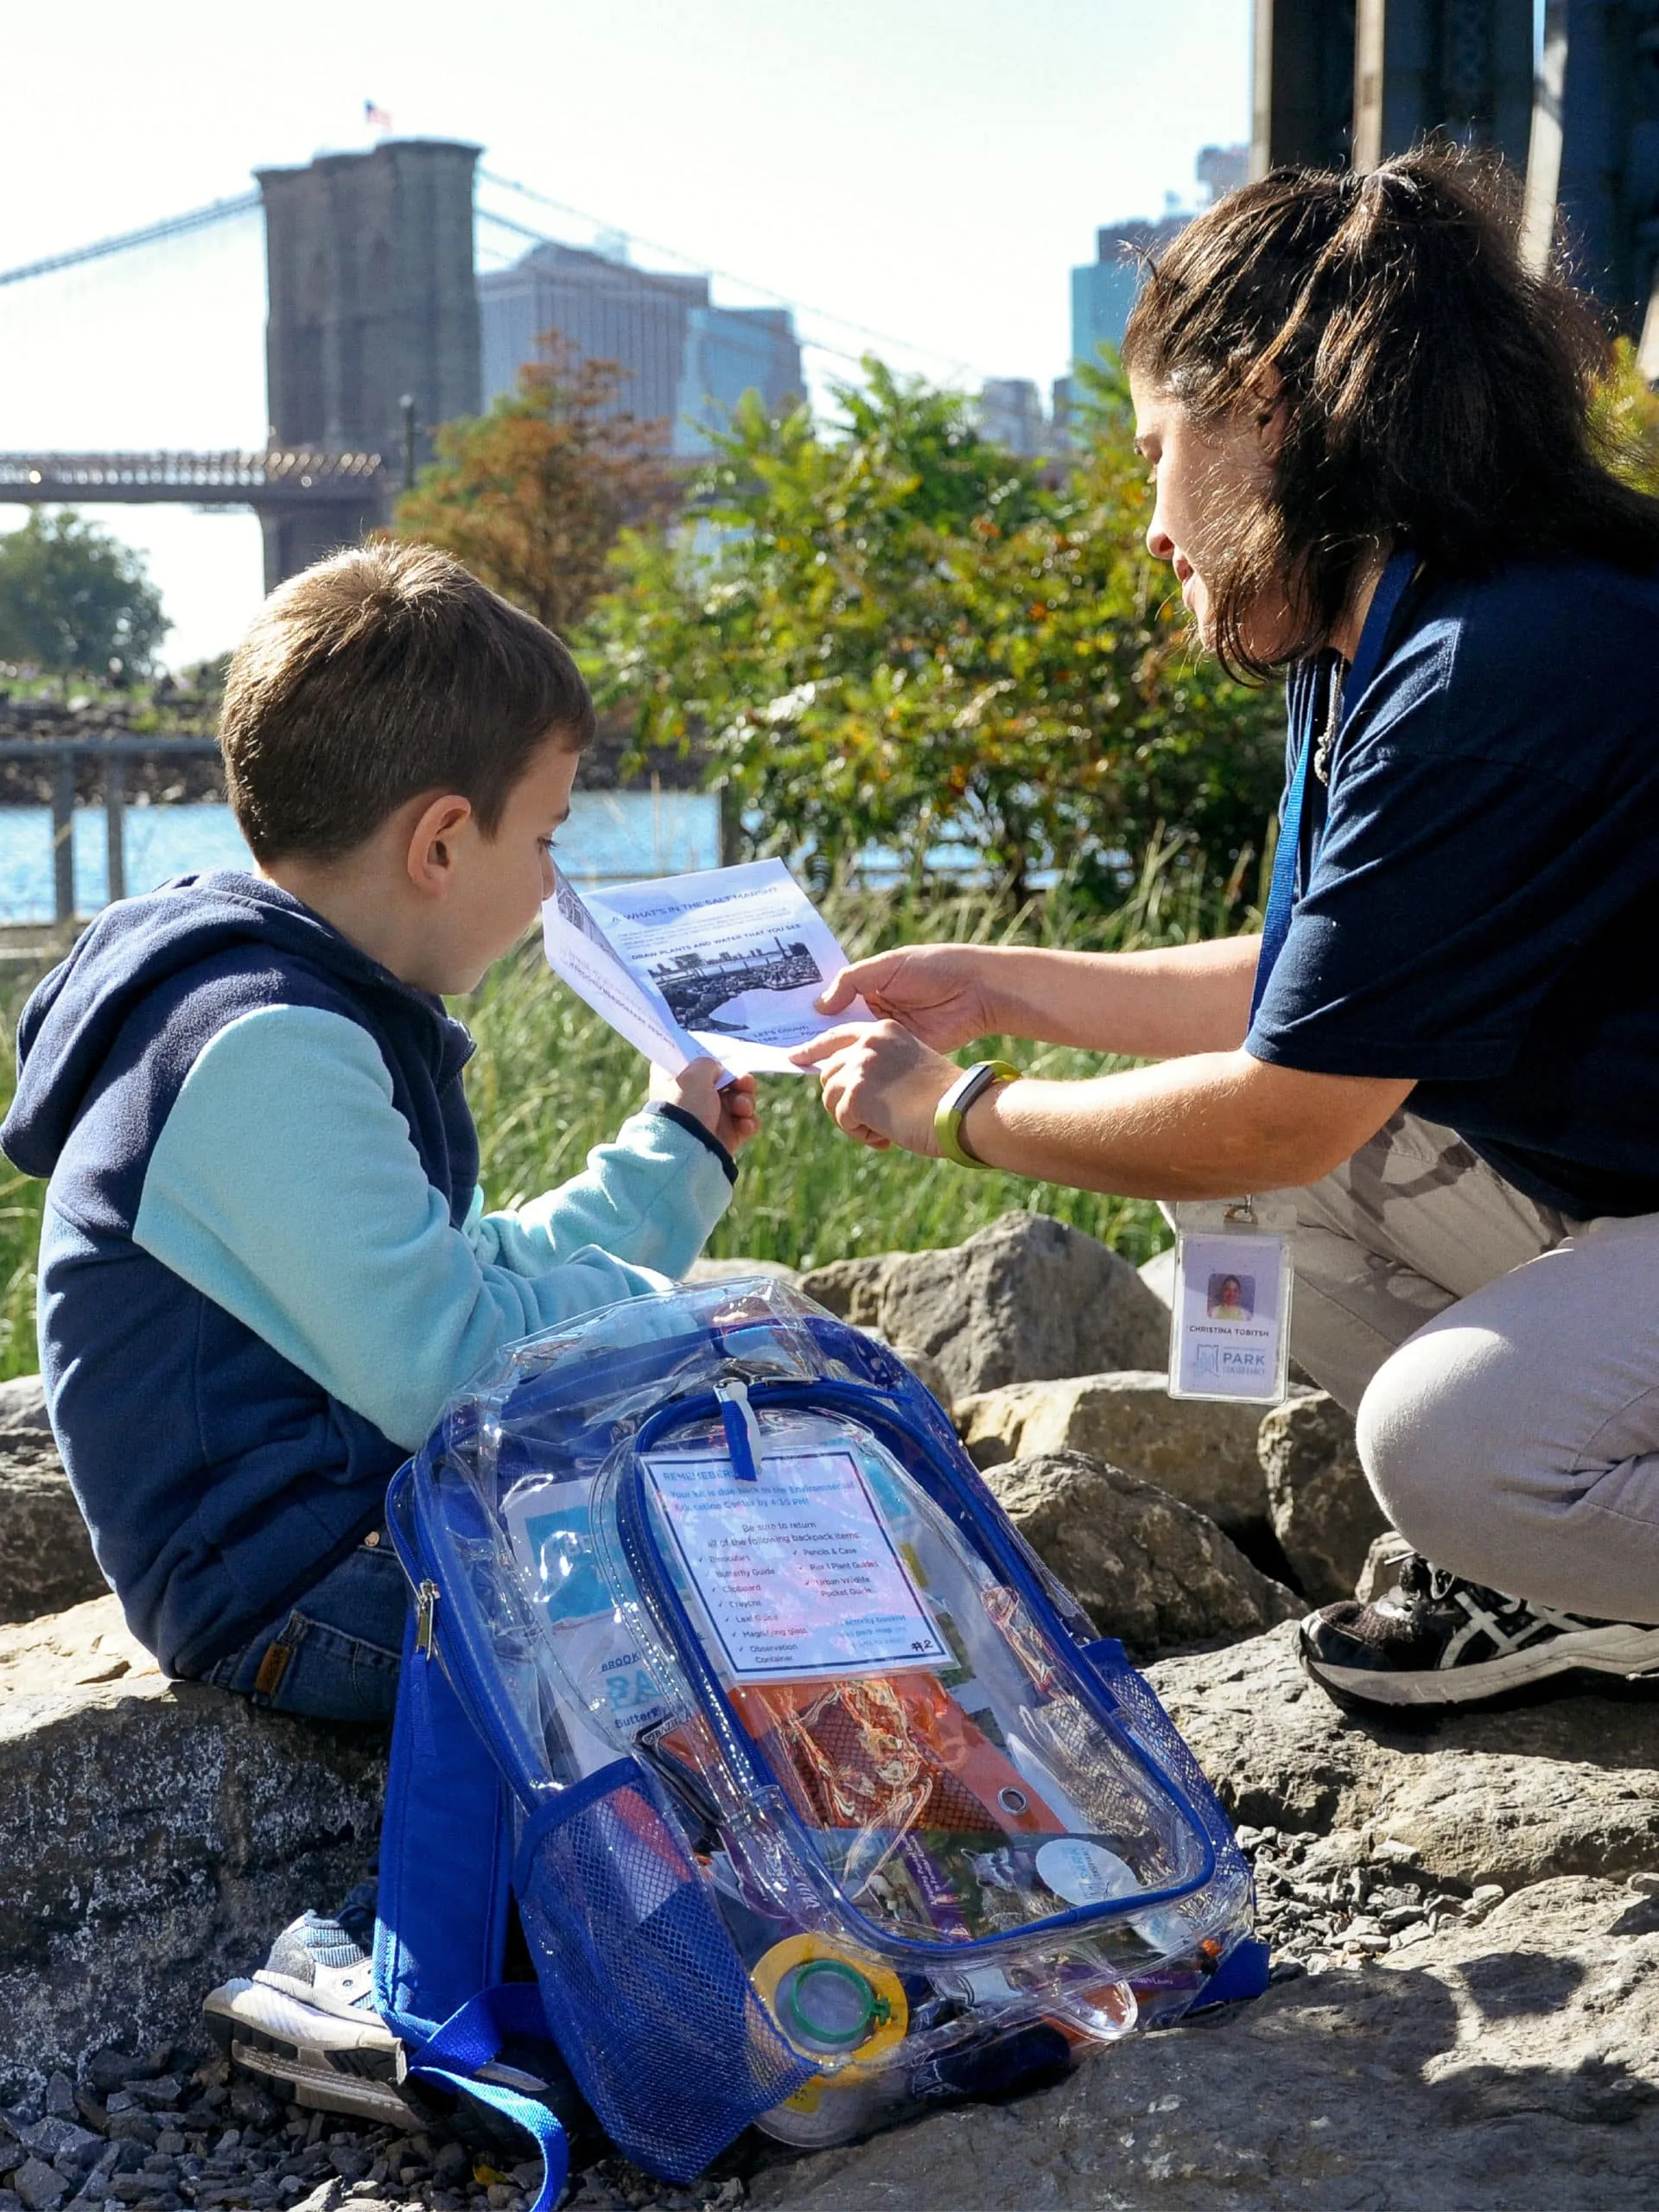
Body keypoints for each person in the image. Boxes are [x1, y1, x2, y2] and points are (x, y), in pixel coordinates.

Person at [792, 147, 1659, 1714]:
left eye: (1148, 452)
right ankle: (1587, 1586)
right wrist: (995, 987)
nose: (1149, 524)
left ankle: (1548, 1536)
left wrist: (958, 1117)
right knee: (1249, 1206)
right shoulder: (1367, 627)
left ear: (1268, 404)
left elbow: (1284, 1103)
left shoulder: (1492, 665)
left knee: (1445, 1446)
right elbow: (1316, 1002)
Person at [0, 539, 758, 2113]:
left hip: (355, 1498)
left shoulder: (305, 1001)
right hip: (283, 1569)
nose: (554, 879)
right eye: (545, 835)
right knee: (693, 1587)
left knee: (713, 1511)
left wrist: (676, 1164)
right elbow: (446, 1366)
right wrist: (687, 1321)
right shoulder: (263, 1047)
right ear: (440, 841)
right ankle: (438, 1967)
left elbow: (458, 1283)